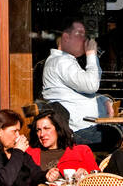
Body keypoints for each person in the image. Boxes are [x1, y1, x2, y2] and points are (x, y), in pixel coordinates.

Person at [41, 19, 107, 147]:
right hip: (79, 132)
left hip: (83, 129)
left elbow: (90, 84)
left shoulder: (63, 61)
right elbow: (91, 85)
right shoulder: (61, 61)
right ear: (66, 37)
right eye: (80, 34)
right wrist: (91, 54)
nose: (84, 39)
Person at [28, 110, 100, 181]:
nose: (42, 134)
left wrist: (86, 173)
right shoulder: (30, 153)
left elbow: (99, 180)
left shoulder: (81, 151)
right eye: (38, 130)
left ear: (58, 129)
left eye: (46, 128)